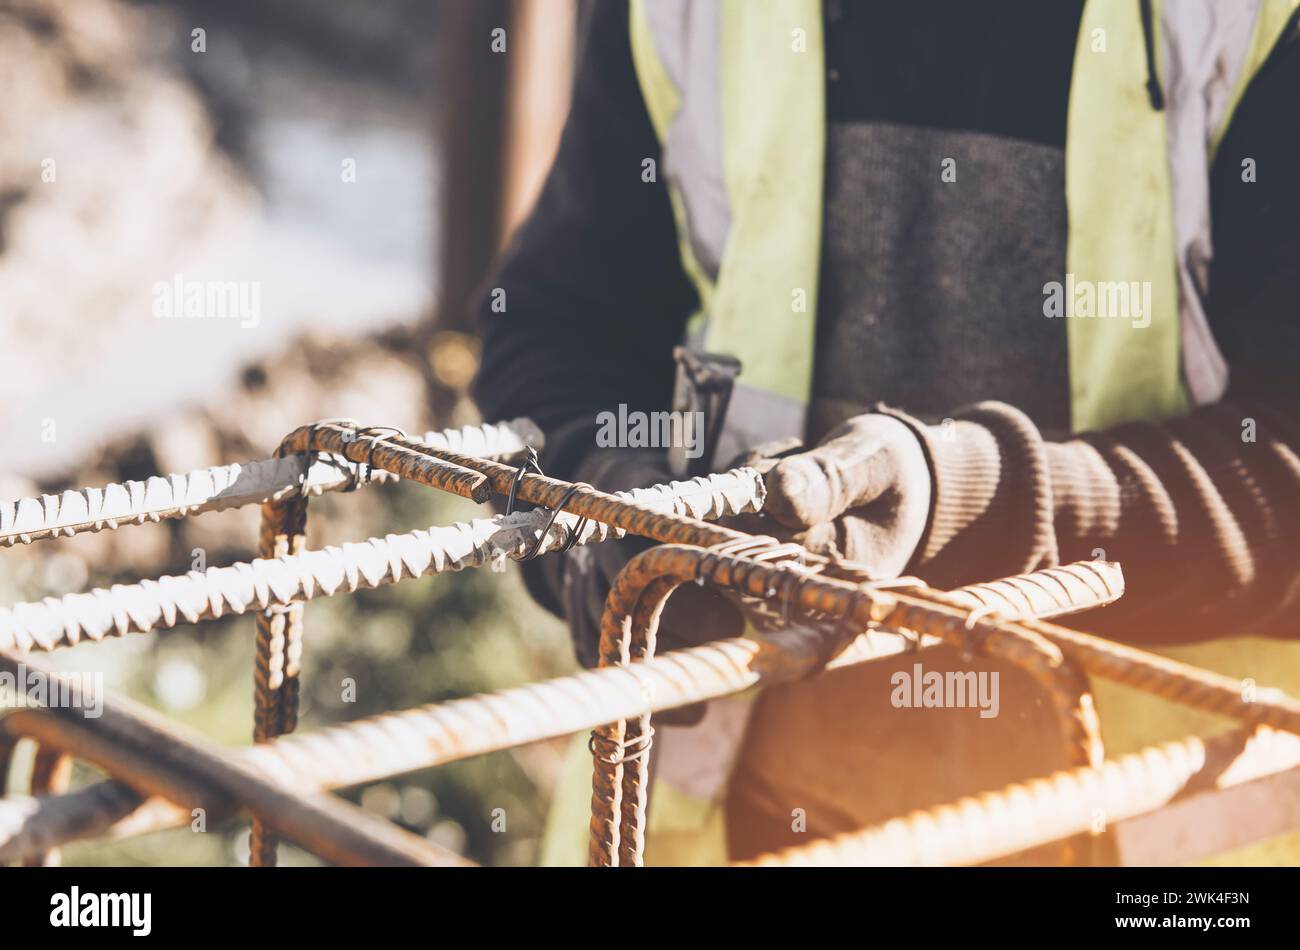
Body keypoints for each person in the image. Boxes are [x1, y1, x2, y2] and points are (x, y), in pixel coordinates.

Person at [472, 0, 1300, 865]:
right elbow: (560, 328)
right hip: (738, 823)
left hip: (1155, 843)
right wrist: (608, 508)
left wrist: (971, 501)